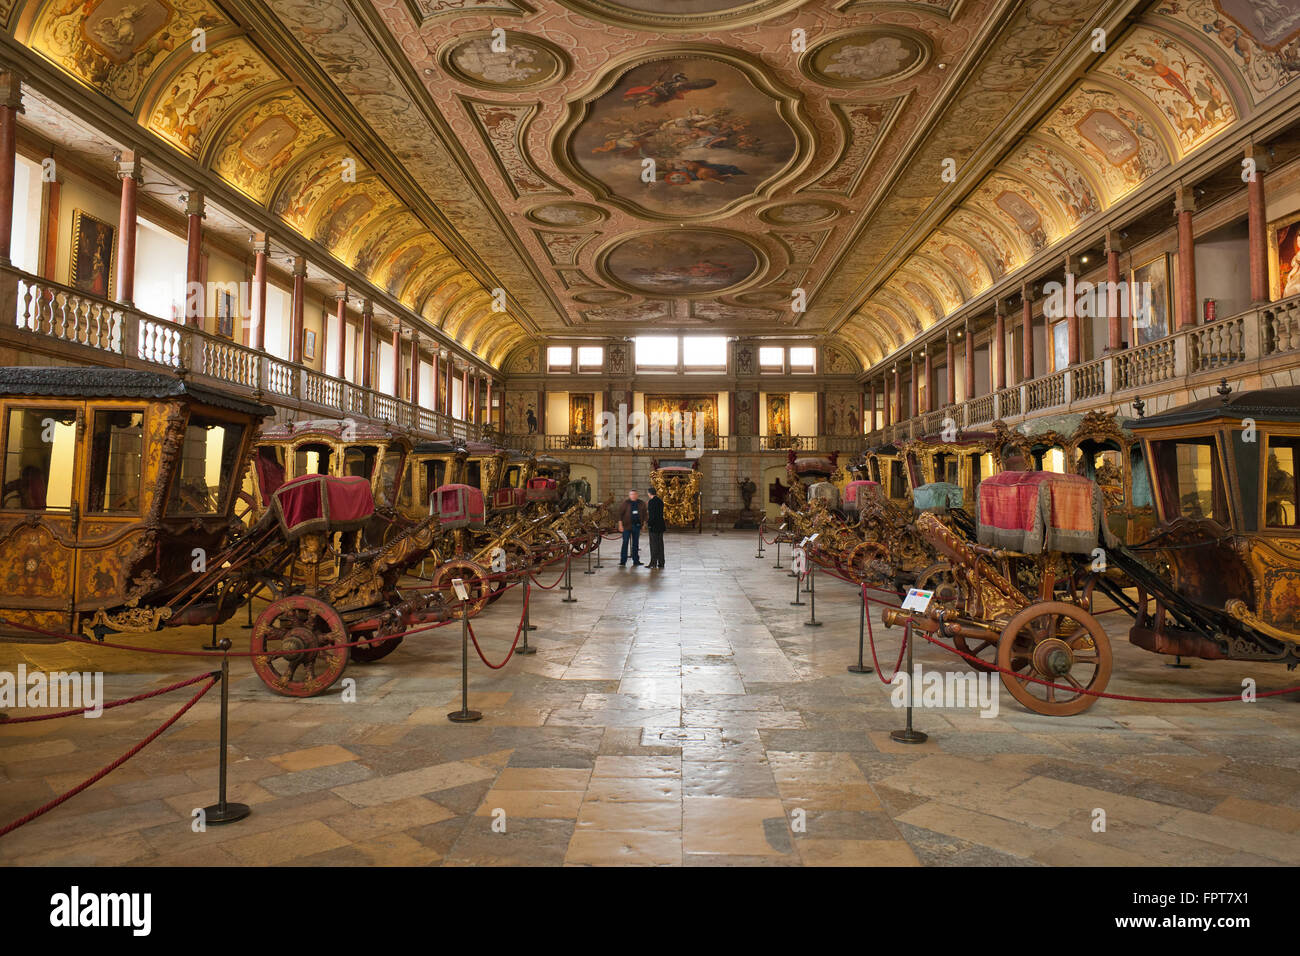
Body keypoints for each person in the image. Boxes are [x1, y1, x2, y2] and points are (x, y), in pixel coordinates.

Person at [617, 489, 644, 567]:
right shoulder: (625, 503)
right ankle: (623, 561)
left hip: (637, 526)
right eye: (631, 494)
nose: (633, 496)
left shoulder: (641, 503)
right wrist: (620, 525)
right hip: (627, 526)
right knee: (625, 543)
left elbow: (644, 514)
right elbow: (620, 515)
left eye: (634, 494)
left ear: (637, 495)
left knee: (635, 544)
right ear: (629, 495)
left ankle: (636, 560)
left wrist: (643, 524)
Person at [646, 487, 666, 569]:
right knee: (660, 545)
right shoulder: (660, 501)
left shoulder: (651, 502)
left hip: (654, 526)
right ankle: (661, 562)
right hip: (660, 526)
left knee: (654, 545)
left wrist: (649, 524)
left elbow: (652, 515)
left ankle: (653, 563)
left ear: (649, 493)